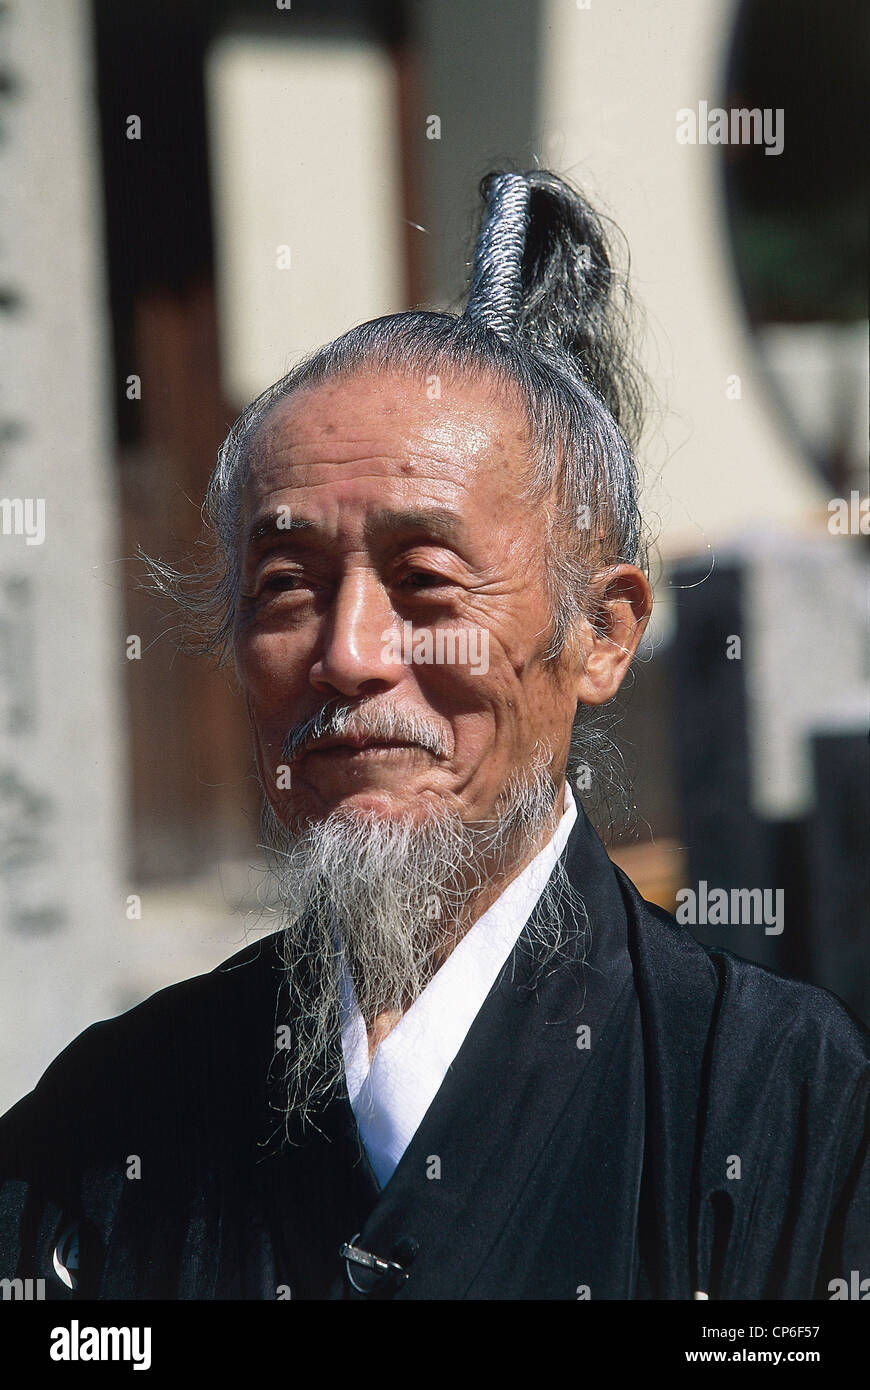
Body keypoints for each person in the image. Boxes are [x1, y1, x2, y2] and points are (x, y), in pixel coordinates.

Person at [1, 170, 867, 1301]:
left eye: (426, 579)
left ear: (603, 635)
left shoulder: (784, 1104)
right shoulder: (107, 1123)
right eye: (285, 584)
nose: (350, 651)